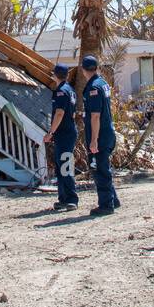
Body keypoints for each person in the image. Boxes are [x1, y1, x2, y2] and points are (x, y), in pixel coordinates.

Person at [80, 55, 120, 215]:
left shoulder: (93, 88)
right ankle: (113, 200)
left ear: (83, 70)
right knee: (103, 167)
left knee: (100, 169)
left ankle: (106, 205)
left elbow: (95, 115)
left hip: (100, 135)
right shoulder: (102, 83)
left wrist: (94, 140)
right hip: (108, 132)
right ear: (97, 68)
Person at [41, 63, 78, 211]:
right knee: (61, 165)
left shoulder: (62, 91)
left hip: (64, 133)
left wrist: (50, 133)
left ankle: (71, 199)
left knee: (65, 166)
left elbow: (60, 113)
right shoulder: (70, 90)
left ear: (55, 75)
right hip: (66, 132)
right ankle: (63, 198)